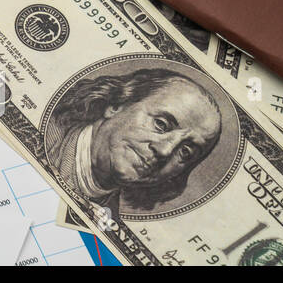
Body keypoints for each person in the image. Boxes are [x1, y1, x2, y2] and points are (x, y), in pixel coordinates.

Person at [47, 68, 221, 220]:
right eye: (161, 124)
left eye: (186, 152)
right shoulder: (45, 135)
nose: (165, 151)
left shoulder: (108, 225)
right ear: (116, 104)